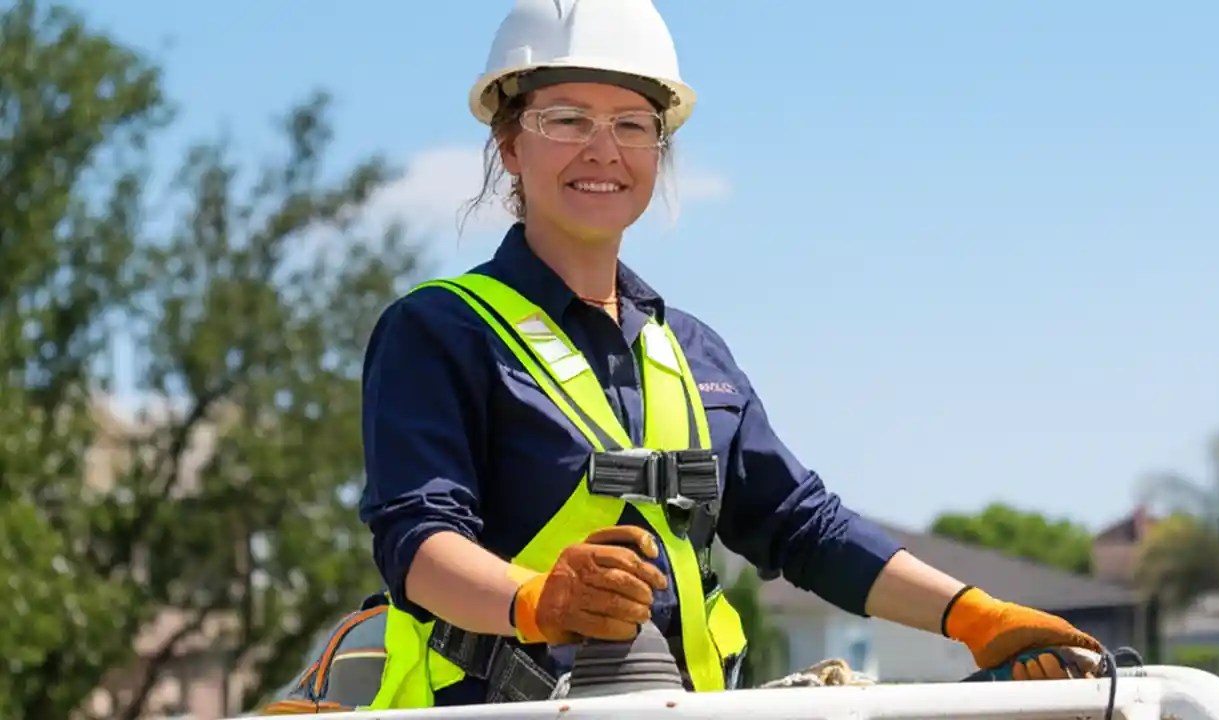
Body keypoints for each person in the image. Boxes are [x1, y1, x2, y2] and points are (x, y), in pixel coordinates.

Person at [255, 0, 1105, 713]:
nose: (604, 149)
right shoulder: (440, 331)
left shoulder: (692, 352)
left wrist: (973, 615)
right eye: (567, 120)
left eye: (633, 124)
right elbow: (418, 541)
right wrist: (536, 602)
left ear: (660, 151)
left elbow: (804, 526)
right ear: (510, 144)